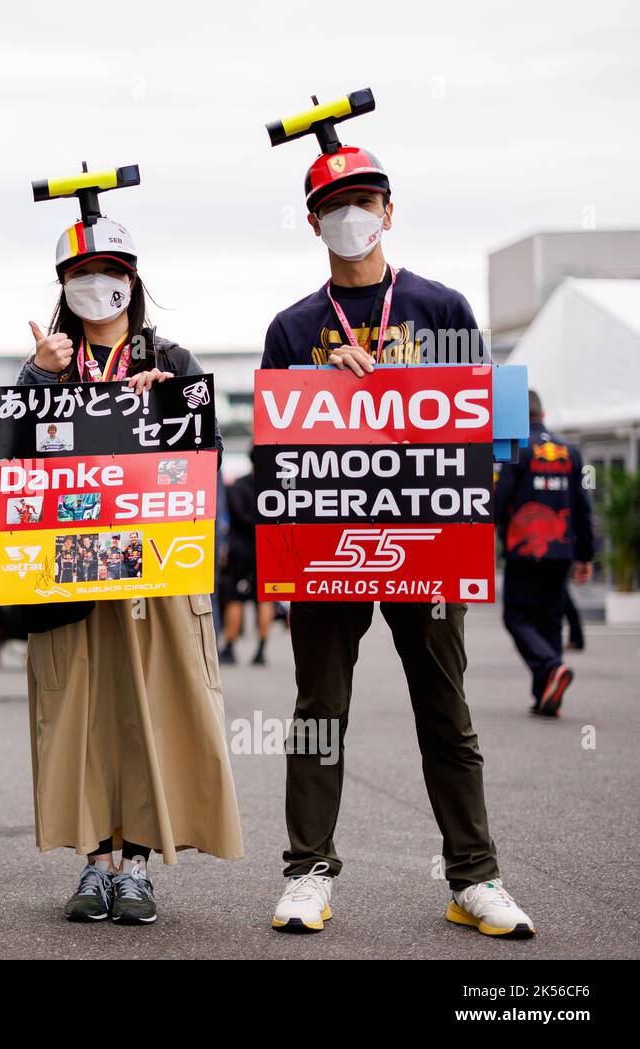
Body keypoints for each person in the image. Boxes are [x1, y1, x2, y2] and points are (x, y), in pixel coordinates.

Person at [261, 137, 535, 937]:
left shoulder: (442, 307)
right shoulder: (293, 326)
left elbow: (485, 427)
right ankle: (307, 871)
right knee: (319, 709)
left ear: (389, 209)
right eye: (334, 208)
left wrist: (404, 385)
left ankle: (475, 876)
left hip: (429, 538)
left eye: (364, 201)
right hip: (323, 542)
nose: (352, 217)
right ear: (314, 224)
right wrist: (324, 388)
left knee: (446, 708)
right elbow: (278, 453)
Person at [20, 205, 243, 924]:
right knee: (81, 709)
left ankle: (138, 861)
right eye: (82, 272)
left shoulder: (174, 361)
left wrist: (167, 408)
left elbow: (205, 464)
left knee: (152, 708)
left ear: (132, 279)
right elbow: (13, 468)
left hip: (154, 568)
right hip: (68, 564)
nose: (97, 284)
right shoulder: (47, 365)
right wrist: (36, 379)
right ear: (63, 281)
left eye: (110, 270)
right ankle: (92, 861)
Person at [495, 390, 595, 717]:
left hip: (526, 548)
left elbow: (500, 500)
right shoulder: (570, 451)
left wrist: (493, 535)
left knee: (517, 617)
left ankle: (551, 666)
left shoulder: (517, 449)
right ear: (544, 413)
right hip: (561, 550)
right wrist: (585, 556)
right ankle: (546, 696)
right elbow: (583, 507)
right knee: (551, 621)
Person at [218, 451, 274, 666]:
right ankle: (261, 649)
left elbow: (237, 517)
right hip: (266, 549)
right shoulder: (275, 487)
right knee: (265, 598)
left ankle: (230, 647)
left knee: (235, 598)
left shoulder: (238, 486)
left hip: (240, 551)